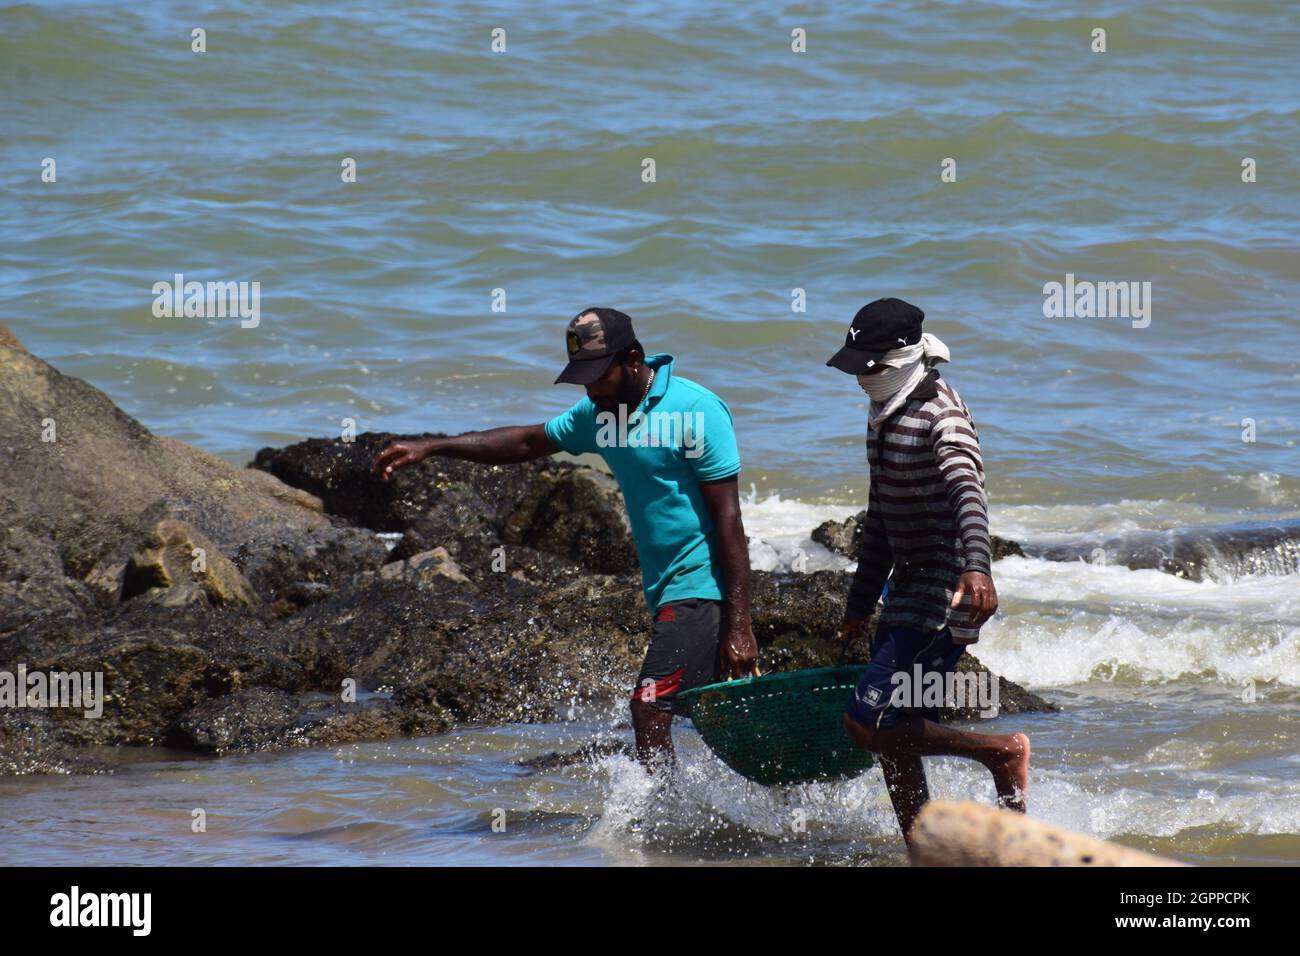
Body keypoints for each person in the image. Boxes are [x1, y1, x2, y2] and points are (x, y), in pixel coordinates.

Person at [371, 307, 757, 772]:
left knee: (648, 705)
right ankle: (768, 814)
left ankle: (664, 822)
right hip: (665, 590)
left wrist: (739, 626)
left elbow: (730, 520)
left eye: (600, 376)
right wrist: (433, 446)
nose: (592, 390)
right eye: (584, 379)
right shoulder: (601, 414)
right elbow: (525, 442)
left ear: (633, 358)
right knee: (711, 714)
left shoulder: (697, 411)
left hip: (701, 588)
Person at [827, 297, 1030, 848]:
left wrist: (977, 569)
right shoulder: (883, 416)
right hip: (905, 590)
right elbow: (881, 519)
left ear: (900, 358)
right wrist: (859, 606)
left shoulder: (940, 414)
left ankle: (1001, 752)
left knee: (867, 724)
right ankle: (926, 851)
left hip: (948, 594)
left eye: (871, 366)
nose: (862, 377)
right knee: (897, 739)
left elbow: (968, 492)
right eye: (858, 365)